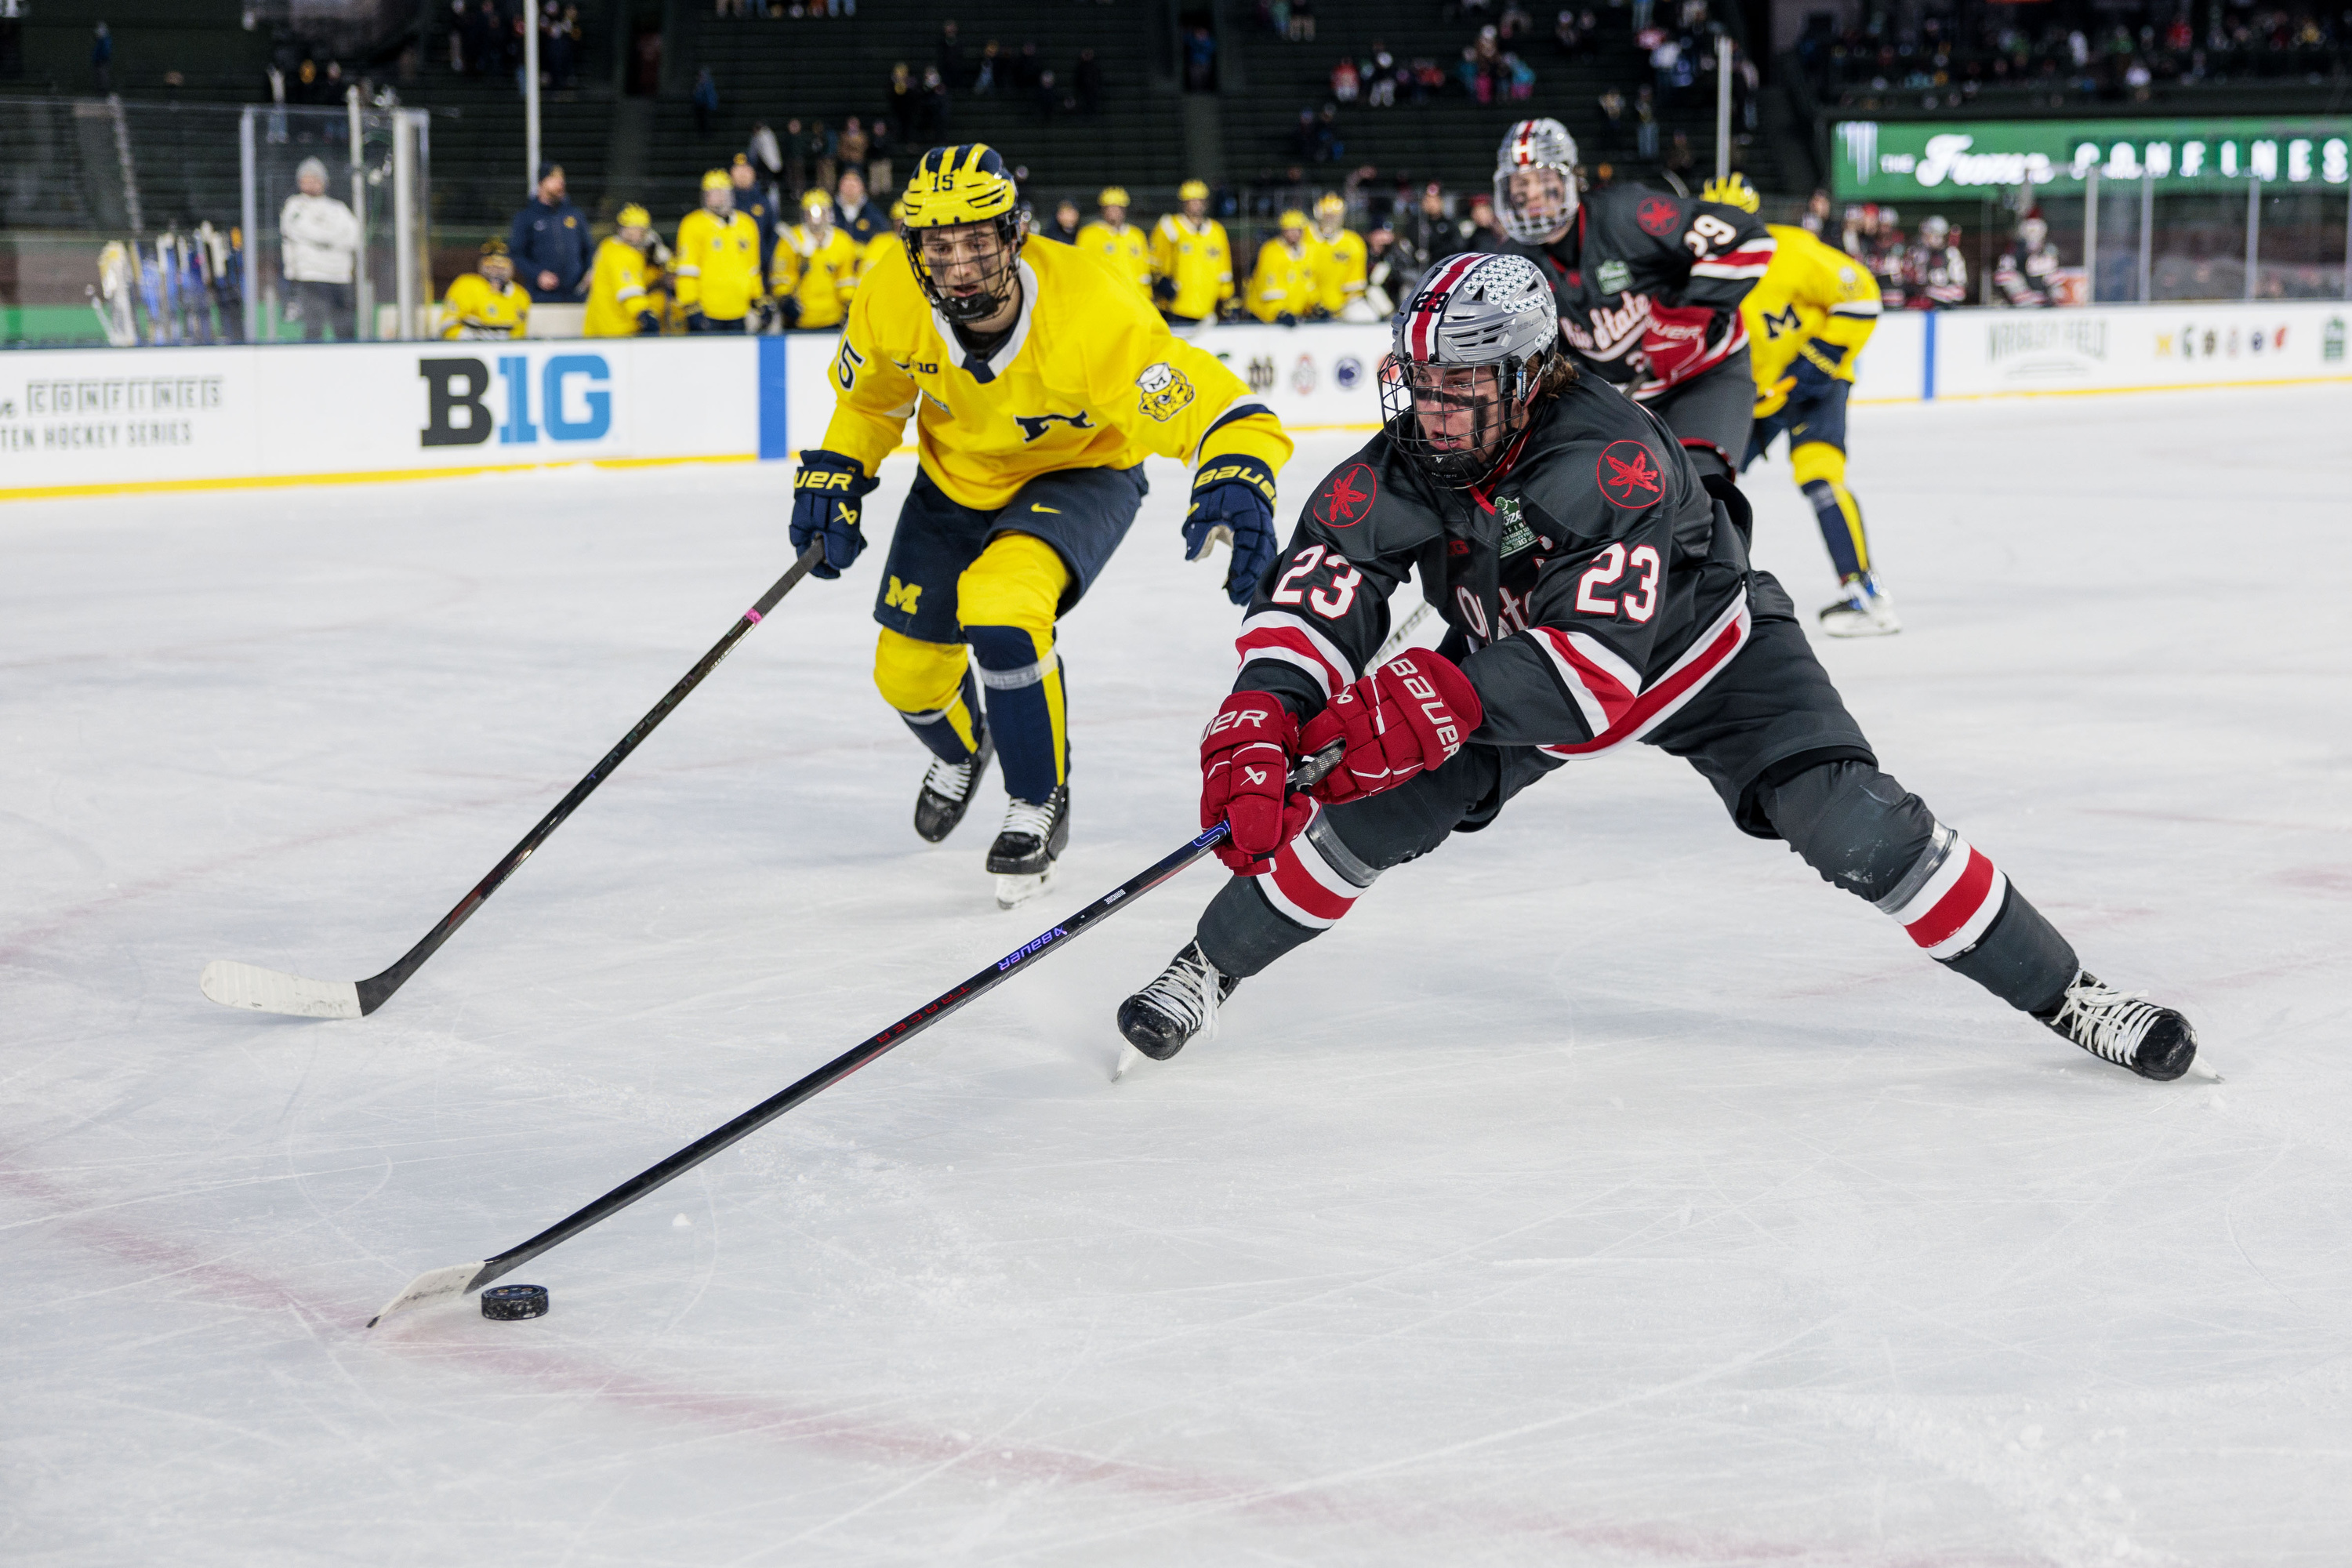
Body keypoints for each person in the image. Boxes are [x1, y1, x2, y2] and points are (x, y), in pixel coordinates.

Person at [1112, 252, 2199, 1086]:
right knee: (1367, 821)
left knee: (1861, 830)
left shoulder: (1611, 456)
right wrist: (1264, 711)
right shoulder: (1414, 451)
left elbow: (1588, 684)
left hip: (1709, 653)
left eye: (1462, 391)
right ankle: (1209, 966)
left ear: (1530, 378)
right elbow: (1328, 581)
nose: (1432, 414)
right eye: (1422, 384)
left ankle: (2072, 997)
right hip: (1516, 652)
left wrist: (1410, 707)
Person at [786, 144, 1295, 906]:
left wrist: (1237, 468)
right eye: (940, 244)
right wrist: (837, 467)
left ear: (1014, 234)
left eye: (977, 241)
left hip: (1081, 472)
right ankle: (965, 748)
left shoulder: (1090, 306)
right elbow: (871, 402)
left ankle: (1037, 798)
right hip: (958, 478)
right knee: (906, 674)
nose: (958, 264)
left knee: (1000, 603)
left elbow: (1212, 402)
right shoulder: (890, 291)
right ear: (915, 247)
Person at [1487, 117, 1771, 485]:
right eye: (1521, 184)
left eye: (1544, 181)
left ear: (1571, 178)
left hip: (1704, 377)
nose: (1534, 196)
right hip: (1625, 401)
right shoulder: (1514, 262)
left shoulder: (1626, 214)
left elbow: (1746, 237)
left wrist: (1687, 317)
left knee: (1702, 496)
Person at [1708, 174, 1896, 637]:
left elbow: (1862, 295)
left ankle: (1864, 592)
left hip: (1814, 386)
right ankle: (1701, 594)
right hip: (1757, 395)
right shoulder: (1702, 273)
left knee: (1820, 478)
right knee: (1704, 481)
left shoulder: (1790, 250)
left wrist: (1822, 359)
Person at [673, 168, 768, 332]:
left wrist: (758, 297)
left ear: (730, 194)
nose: (714, 197)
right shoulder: (692, 224)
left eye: (719, 192)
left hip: (740, 310)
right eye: (710, 193)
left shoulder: (747, 224)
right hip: (708, 311)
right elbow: (686, 269)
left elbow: (753, 269)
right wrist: (690, 304)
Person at [279, 157, 360, 343]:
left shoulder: (338, 208)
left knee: (345, 330)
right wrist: (331, 237)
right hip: (310, 276)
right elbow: (300, 230)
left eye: (315, 178)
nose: (311, 183)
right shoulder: (294, 206)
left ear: (324, 182)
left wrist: (323, 239)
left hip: (339, 275)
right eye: (306, 178)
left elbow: (353, 236)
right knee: (314, 328)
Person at [1149, 178, 1235, 329]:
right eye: (1191, 201)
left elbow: (1224, 269)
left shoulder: (1217, 231)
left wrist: (1227, 299)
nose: (1195, 205)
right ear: (1183, 203)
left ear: (1205, 203)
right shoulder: (1169, 226)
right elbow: (1153, 260)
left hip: (1207, 306)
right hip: (1175, 305)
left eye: (1199, 201)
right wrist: (1161, 281)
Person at [771, 187, 861, 330]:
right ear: (804, 214)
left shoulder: (842, 241)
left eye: (821, 212)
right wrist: (785, 299)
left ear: (829, 213)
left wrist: (849, 302)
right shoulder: (790, 239)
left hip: (833, 317)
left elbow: (846, 278)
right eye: (811, 212)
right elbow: (781, 275)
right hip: (800, 318)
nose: (816, 219)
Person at [509, 162, 593, 302]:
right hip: (542, 296)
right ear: (541, 182)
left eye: (562, 178)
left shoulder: (575, 214)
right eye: (554, 178)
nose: (561, 182)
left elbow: (588, 249)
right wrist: (538, 275)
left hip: (576, 294)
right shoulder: (526, 217)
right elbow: (517, 255)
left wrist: (589, 272)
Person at [583, 204, 662, 336]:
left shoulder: (608, 245)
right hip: (617, 331)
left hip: (597, 327)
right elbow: (629, 290)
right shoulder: (624, 254)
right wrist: (644, 313)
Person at [1386, 181, 1461, 303]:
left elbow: (1455, 248)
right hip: (1417, 274)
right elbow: (1406, 245)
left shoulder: (1450, 224)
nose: (1431, 204)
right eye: (1427, 200)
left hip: (1442, 274)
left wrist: (1433, 253)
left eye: (1435, 200)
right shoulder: (1415, 222)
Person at [439, 238, 530, 338]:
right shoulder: (466, 285)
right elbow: (449, 328)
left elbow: (518, 336)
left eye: (501, 267)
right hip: (470, 350)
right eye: (491, 267)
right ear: (481, 264)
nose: (496, 272)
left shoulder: (520, 295)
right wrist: (477, 341)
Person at [1246, 209, 1320, 325]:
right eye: (1289, 230)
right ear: (1283, 231)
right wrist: (1279, 311)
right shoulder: (1271, 251)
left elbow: (1308, 283)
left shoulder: (1307, 252)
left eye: (1297, 230)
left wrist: (1315, 305)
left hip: (1293, 315)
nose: (1293, 234)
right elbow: (1269, 287)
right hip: (1264, 316)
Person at [1076, 186, 1151, 299]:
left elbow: (1144, 270)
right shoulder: (1089, 234)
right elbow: (1082, 266)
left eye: (1117, 208)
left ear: (1124, 210)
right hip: (1104, 295)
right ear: (1102, 210)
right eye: (1109, 208)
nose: (1113, 212)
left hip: (1133, 296)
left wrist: (1146, 296)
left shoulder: (1136, 235)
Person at [1308, 191, 1370, 321]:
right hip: (1307, 302)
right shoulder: (1304, 237)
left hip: (1342, 305)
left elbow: (1354, 288)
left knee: (1364, 316)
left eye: (1334, 216)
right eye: (1327, 215)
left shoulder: (1353, 242)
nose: (1330, 219)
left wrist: (1343, 307)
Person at [729, 153, 781, 278]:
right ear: (731, 173)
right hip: (731, 269)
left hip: (760, 270)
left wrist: (767, 259)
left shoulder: (763, 201)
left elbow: (772, 233)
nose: (742, 174)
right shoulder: (726, 203)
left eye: (746, 169)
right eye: (738, 169)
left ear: (753, 173)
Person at [1993, 214, 2060, 308]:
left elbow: (2055, 277)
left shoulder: (2049, 250)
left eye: (2036, 228)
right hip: (2021, 303)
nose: (2033, 232)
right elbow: (2004, 275)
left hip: (2046, 303)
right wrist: (2023, 295)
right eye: (2030, 229)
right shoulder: (2014, 251)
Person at [1907, 215, 1967, 309]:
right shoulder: (1923, 253)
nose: (1924, 238)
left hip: (1947, 306)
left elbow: (1959, 289)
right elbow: (1919, 283)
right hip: (1930, 305)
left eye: (1927, 235)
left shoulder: (1951, 254)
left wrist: (1935, 294)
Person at [833, 168, 888, 249]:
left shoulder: (873, 213)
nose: (850, 188)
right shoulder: (830, 212)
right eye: (846, 183)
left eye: (854, 183)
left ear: (862, 186)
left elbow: (883, 238)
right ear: (839, 186)